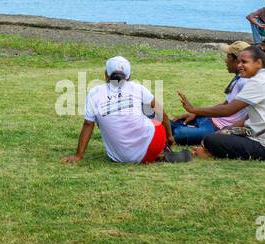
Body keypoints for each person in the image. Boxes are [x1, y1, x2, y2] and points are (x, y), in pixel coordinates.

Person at [61, 56, 190, 164]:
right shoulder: (137, 88)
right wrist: (170, 137)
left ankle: (154, 153)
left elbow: (88, 124)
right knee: (150, 111)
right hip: (152, 146)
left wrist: (78, 156)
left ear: (106, 74)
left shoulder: (94, 93)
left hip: (119, 157)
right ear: (129, 76)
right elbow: (163, 115)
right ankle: (162, 150)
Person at [182, 44, 265, 161]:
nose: (239, 65)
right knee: (219, 135)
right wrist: (225, 130)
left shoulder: (258, 83)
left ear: (259, 63)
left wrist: (193, 110)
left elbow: (228, 110)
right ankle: (210, 148)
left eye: (244, 62)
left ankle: (208, 152)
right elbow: (246, 118)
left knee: (210, 140)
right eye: (239, 62)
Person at [171, 43, 250, 145]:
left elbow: (228, 110)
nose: (225, 61)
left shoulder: (247, 82)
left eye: (228, 57)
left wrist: (193, 109)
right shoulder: (239, 78)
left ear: (238, 61)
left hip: (219, 128)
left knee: (179, 133)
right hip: (212, 120)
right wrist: (196, 113)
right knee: (172, 124)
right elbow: (225, 104)